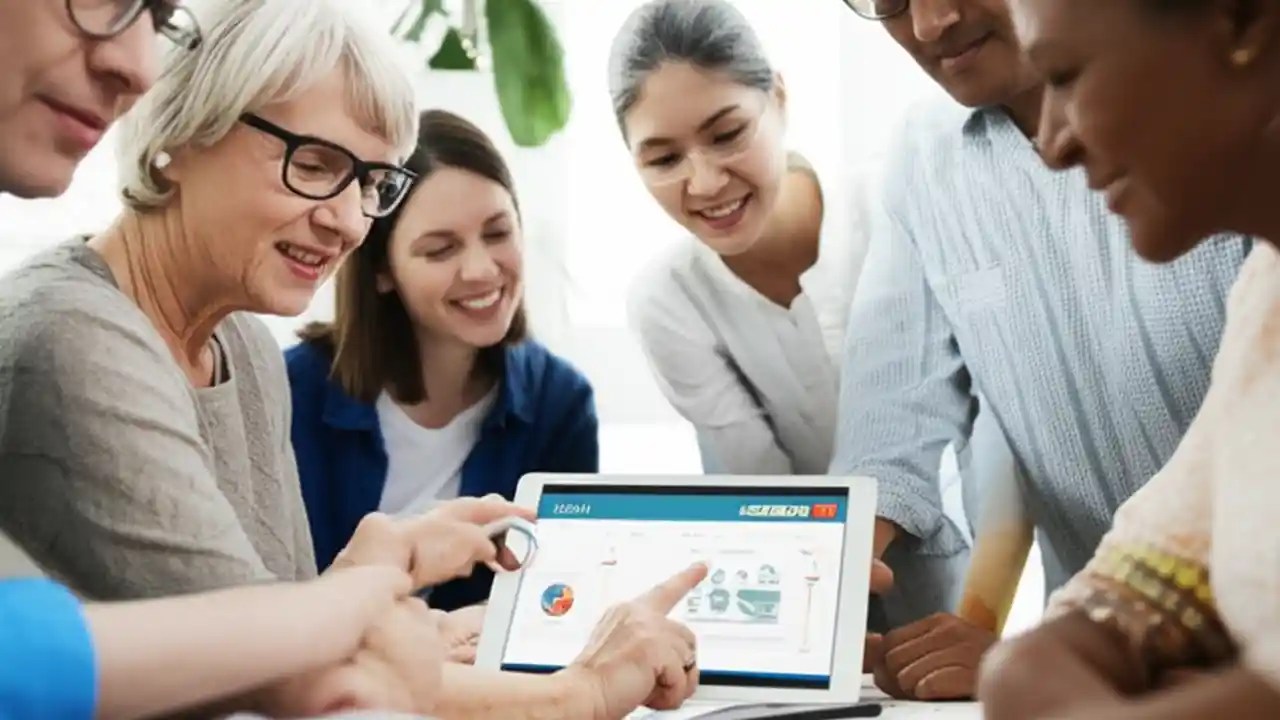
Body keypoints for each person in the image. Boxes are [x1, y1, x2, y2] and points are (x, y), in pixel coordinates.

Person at [0, 0, 708, 717]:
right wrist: (582, 691)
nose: (347, 222)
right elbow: (288, 678)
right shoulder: (75, 339)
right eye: (313, 164)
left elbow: (276, 625)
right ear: (181, 132)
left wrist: (379, 585)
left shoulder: (240, 341)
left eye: (372, 184)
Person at [834, 0, 1251, 701]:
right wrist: (816, 587)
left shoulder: (1211, 134)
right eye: (889, 0)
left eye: (1072, 81)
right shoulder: (923, 159)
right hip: (1110, 631)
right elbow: (891, 421)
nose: (931, 22)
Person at [976, 0, 1280, 718]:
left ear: (1241, 21)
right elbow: (1125, 597)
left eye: (1065, 74)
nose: (1052, 144)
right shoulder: (1265, 298)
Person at [287, 109, 598, 639]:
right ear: (381, 269)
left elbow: (555, 600)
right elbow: (273, 602)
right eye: (440, 249)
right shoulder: (292, 392)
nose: (481, 269)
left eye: (498, 233)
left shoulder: (559, 402)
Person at [609, 0, 872, 477]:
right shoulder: (668, 300)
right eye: (665, 161)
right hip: (802, 545)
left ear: (779, 98)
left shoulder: (882, 217)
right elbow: (758, 487)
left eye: (728, 134)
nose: (706, 184)